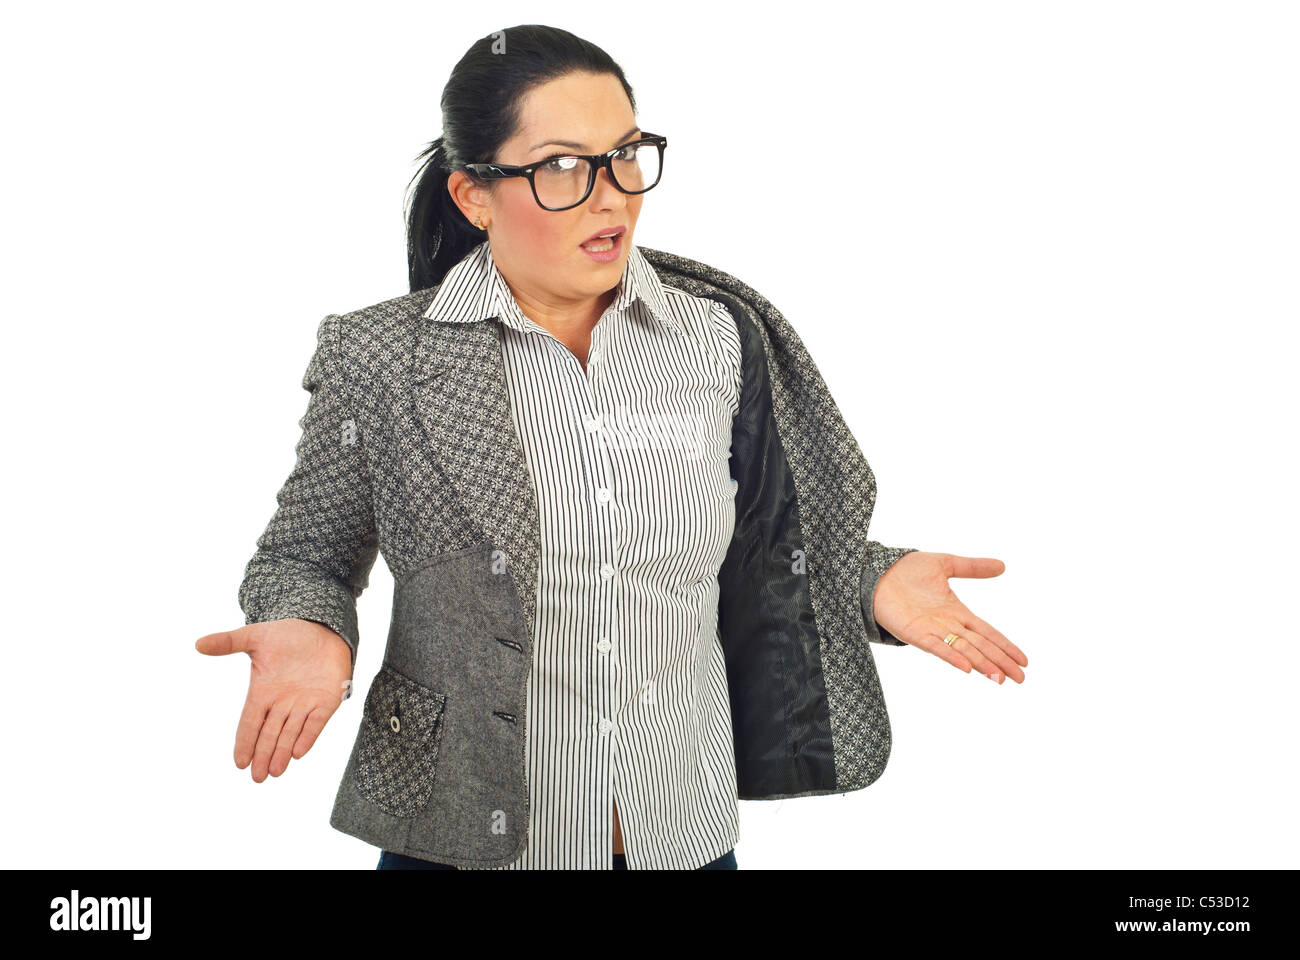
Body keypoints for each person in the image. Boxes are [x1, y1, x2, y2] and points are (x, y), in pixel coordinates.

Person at [196, 24, 1027, 871]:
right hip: (463, 838)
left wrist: (870, 576)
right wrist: (306, 625)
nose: (611, 196)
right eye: (562, 166)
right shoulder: (382, 359)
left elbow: (762, 542)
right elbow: (305, 557)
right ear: (473, 195)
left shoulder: (716, 338)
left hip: (682, 833)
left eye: (626, 154)